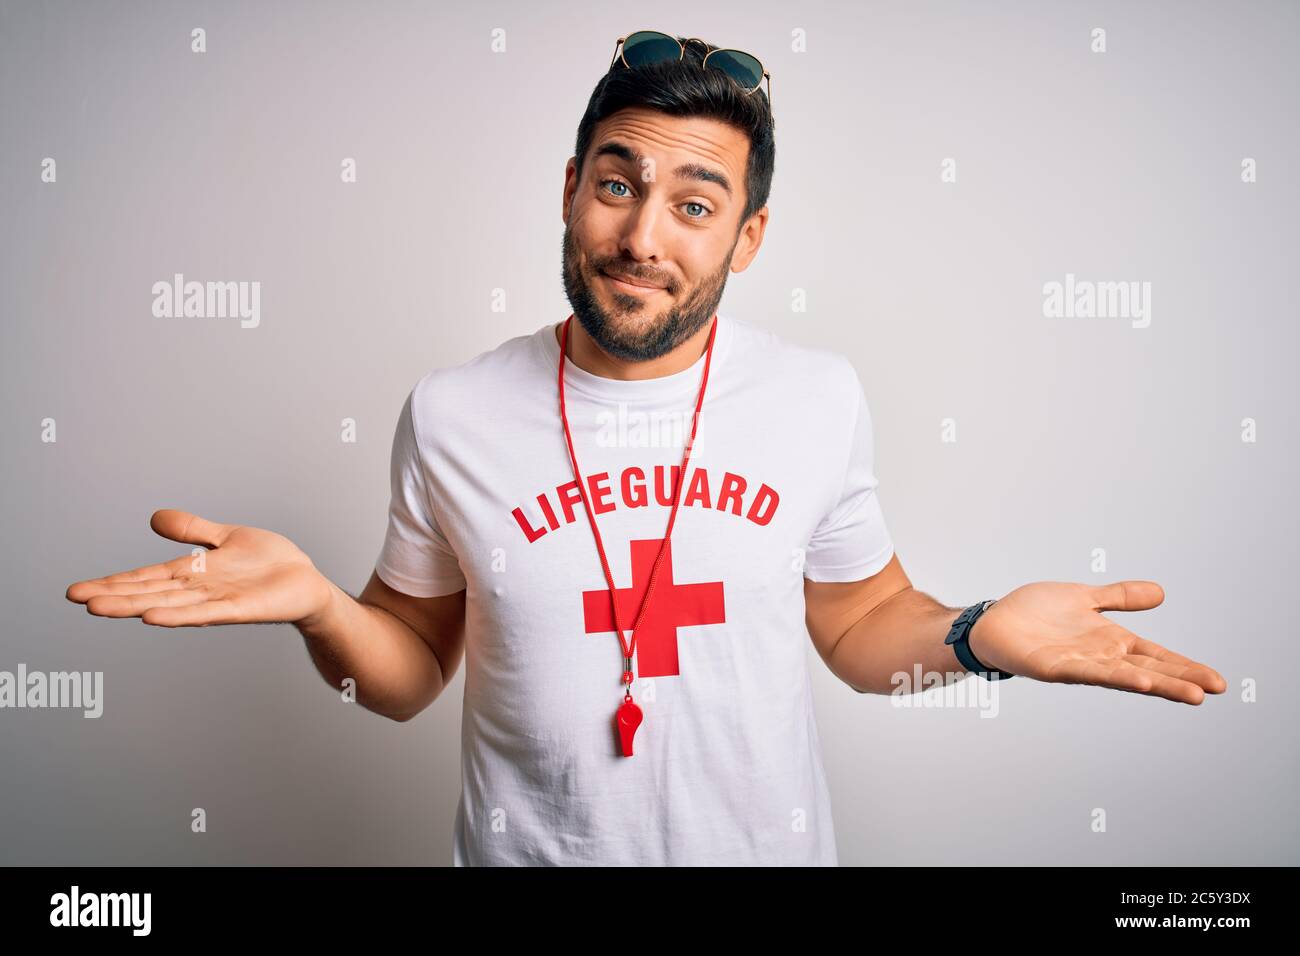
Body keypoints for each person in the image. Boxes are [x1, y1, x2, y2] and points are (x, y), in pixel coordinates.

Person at [65, 31, 1226, 866]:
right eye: (615, 184)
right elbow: (409, 676)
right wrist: (322, 607)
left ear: (748, 235)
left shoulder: (817, 399)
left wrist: (974, 638)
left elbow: (863, 633)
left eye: (693, 203)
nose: (639, 235)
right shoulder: (453, 412)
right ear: (570, 188)